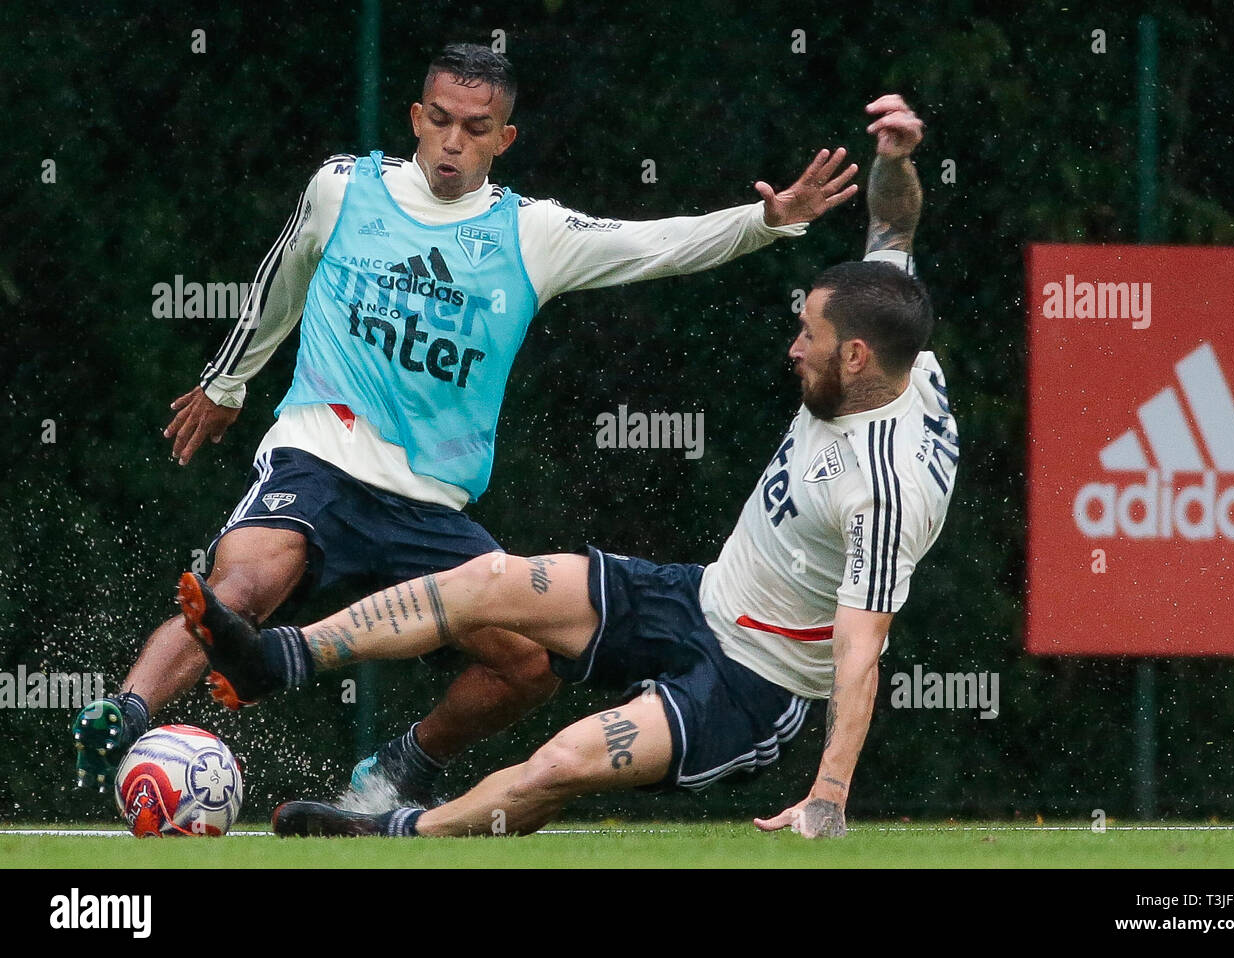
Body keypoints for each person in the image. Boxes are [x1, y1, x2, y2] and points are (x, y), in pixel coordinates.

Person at [72, 43, 860, 800]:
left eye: (476, 128)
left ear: (504, 138)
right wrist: (227, 382)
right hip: (318, 456)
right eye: (441, 119)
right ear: (416, 116)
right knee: (243, 585)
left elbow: (654, 245)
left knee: (529, 662)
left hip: (430, 503)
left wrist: (769, 221)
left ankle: (403, 768)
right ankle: (127, 714)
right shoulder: (343, 188)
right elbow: (285, 273)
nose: (454, 142)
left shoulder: (531, 233)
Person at [177, 95, 956, 838]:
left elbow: (860, 656)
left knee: (559, 762)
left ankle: (395, 827)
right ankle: (281, 657)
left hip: (756, 685)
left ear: (855, 357)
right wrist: (896, 156)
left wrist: (827, 798)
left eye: (809, 338)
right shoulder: (898, 348)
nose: (793, 349)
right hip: (697, 598)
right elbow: (891, 226)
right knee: (491, 580)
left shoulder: (885, 488)